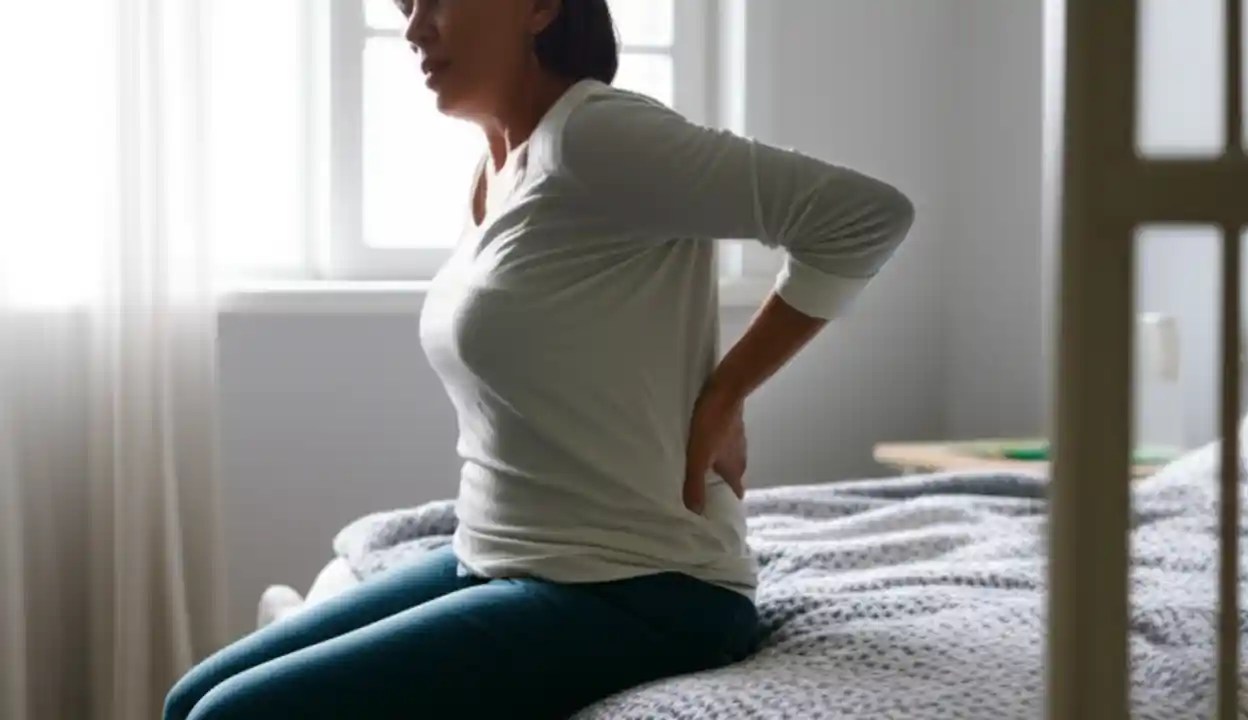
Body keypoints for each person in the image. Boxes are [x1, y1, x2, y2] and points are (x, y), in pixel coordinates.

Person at [164, 0, 913, 717]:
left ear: (541, 6)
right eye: (404, 7)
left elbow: (862, 216)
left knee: (229, 716)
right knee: (190, 700)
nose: (415, 30)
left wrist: (726, 395)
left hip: (643, 587)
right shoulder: (498, 170)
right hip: (497, 554)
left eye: (439, 0)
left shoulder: (597, 134)